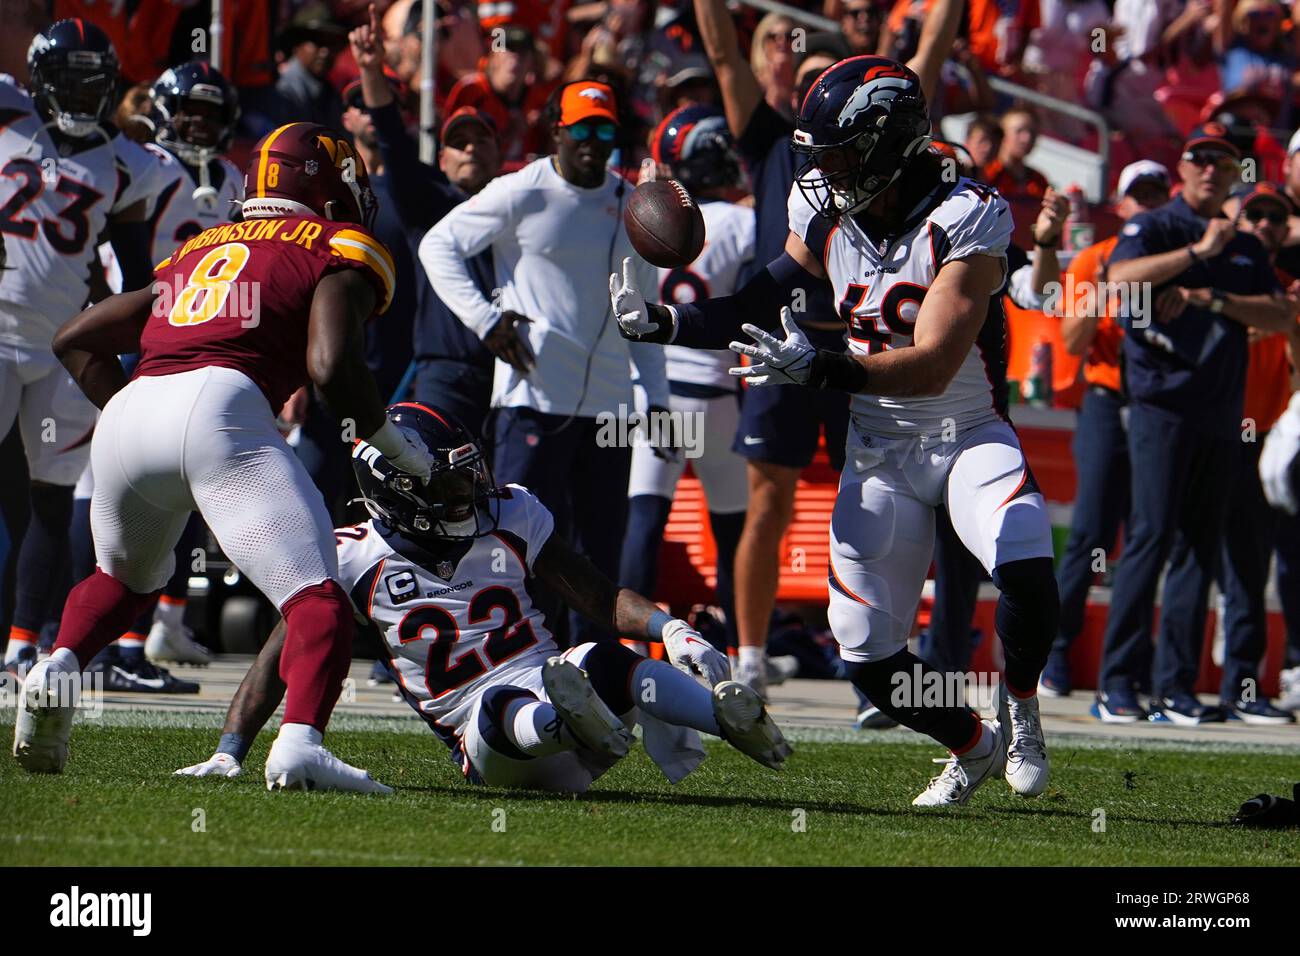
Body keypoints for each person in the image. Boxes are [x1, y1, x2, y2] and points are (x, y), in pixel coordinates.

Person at [612, 56, 1060, 807]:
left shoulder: (969, 215)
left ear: (892, 143)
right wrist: (665, 322)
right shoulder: (821, 204)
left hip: (966, 428)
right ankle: (971, 744)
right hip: (879, 449)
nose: (827, 168)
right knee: (868, 657)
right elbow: (756, 298)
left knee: (1024, 559)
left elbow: (931, 363)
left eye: (843, 151)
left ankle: (1021, 706)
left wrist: (820, 370)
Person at [13, 122, 434, 792]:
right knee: (316, 595)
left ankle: (56, 665)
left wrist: (132, 412)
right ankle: (300, 743)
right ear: (322, 184)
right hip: (223, 408)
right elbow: (330, 368)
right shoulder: (338, 243)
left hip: (133, 412)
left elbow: (75, 338)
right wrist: (388, 441)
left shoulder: (199, 246)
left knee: (124, 581)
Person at [176, 404, 789, 792]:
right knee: (500, 704)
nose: (468, 492)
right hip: (490, 739)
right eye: (447, 483)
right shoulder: (349, 555)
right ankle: (567, 720)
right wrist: (231, 747)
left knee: (606, 659)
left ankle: (725, 718)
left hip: (547, 676)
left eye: (469, 473)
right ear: (398, 493)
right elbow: (279, 659)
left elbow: (597, 595)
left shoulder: (512, 512)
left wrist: (671, 629)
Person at [692, 0, 962, 698]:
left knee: (890, 497)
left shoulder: (876, 149)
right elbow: (723, 55)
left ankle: (891, 657)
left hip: (862, 351)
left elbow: (924, 64)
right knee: (767, 501)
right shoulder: (773, 141)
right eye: (809, 75)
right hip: (782, 341)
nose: (818, 87)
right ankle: (750, 651)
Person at [420, 79, 670, 648]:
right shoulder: (522, 190)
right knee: (519, 549)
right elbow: (437, 245)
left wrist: (657, 399)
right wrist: (486, 321)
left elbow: (642, 309)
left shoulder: (632, 206)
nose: (592, 139)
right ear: (557, 130)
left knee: (600, 553)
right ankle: (522, 665)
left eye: (604, 129)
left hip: (609, 409)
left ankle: (600, 673)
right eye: (581, 127)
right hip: (531, 404)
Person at [1095, 123, 1293, 723]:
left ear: (1236, 174)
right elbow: (1119, 280)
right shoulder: (1157, 225)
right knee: (1151, 537)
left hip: (1220, 410)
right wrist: (1197, 257)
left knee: (1199, 550)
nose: (1211, 169)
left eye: (1224, 162)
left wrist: (1209, 296)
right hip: (1160, 402)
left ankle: (1176, 687)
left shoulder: (1246, 245)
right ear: (1182, 168)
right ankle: (1117, 682)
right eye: (1201, 158)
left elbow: (1281, 312)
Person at [0, 21, 160, 682]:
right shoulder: (8, 110)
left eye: (93, 82)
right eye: (69, 80)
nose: (80, 93)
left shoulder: (127, 162)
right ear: (40, 79)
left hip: (63, 343)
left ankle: (20, 643)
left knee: (51, 495)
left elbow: (135, 271)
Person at [618, 105, 754, 656]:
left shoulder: (637, 213)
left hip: (657, 390)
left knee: (644, 521)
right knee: (733, 533)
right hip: (717, 395)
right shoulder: (744, 221)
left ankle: (626, 647)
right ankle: (747, 650)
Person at [1043, 160, 1172, 698]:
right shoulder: (1097, 259)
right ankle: (1054, 654)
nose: (1146, 203)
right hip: (1106, 396)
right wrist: (1105, 291)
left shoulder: (1175, 260)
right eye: (1136, 195)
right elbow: (1071, 343)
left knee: (1150, 535)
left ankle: (1132, 665)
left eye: (1155, 194)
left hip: (1162, 405)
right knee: (1092, 532)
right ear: (1120, 206)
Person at [348, 10, 501, 441]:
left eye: (481, 139)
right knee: (432, 491)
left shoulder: (522, 205)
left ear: (499, 150)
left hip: (513, 373)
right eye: (458, 142)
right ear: (441, 159)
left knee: (512, 497)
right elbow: (393, 138)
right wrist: (371, 69)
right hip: (445, 375)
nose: (470, 149)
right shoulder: (429, 202)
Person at [1213, 181, 1299, 723]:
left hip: (1273, 437)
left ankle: (1260, 680)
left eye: (1276, 216)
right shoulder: (1215, 275)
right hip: (1217, 433)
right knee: (1210, 563)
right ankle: (1171, 683)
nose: (1265, 223)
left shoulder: (1290, 288)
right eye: (1255, 214)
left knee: (1270, 565)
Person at [982, 106, 1051, 248]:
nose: (1027, 138)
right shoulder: (987, 175)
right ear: (1002, 135)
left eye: (1032, 132)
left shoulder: (1039, 179)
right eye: (1019, 131)